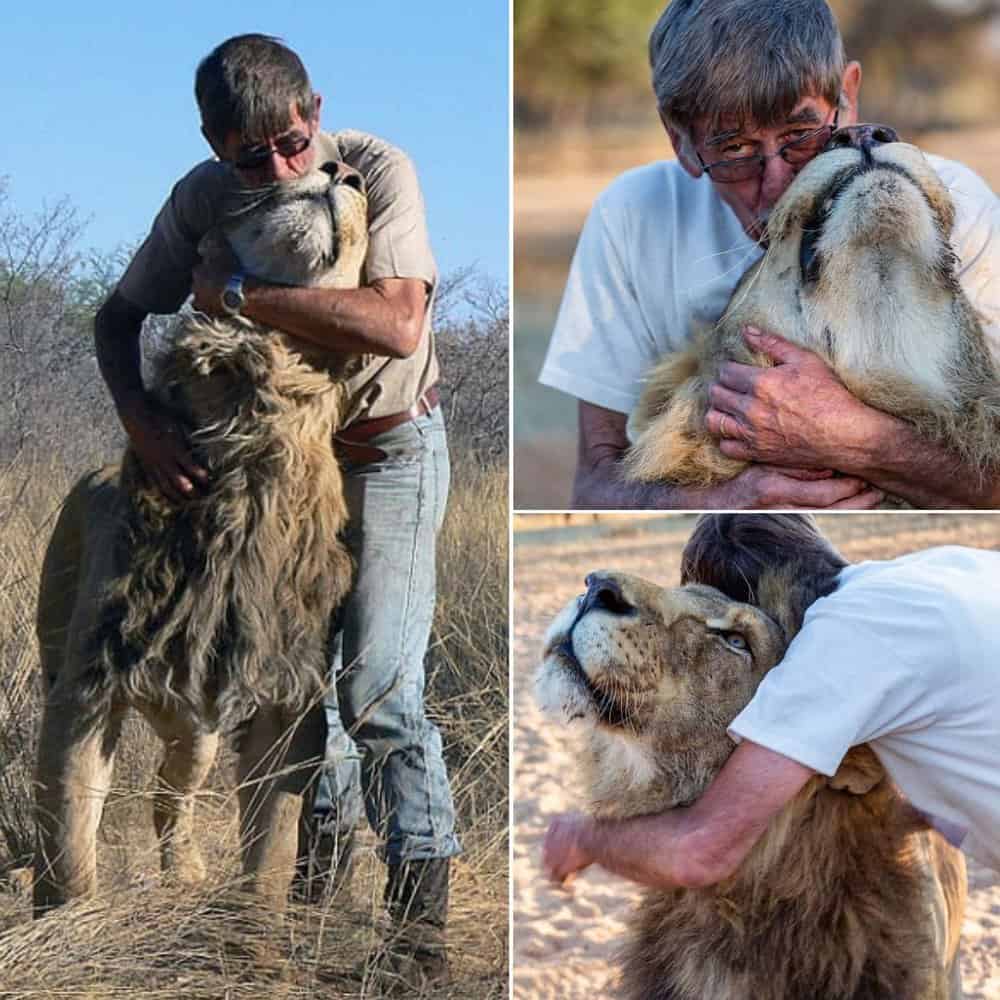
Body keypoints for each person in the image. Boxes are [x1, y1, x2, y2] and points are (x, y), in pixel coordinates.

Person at [94, 33, 459, 988]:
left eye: (295, 143)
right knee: (292, 690)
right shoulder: (201, 198)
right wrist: (141, 424)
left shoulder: (375, 167)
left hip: (384, 451)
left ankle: (419, 943)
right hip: (276, 470)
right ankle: (304, 920)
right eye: (252, 156)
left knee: (378, 689)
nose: (283, 168)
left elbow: (397, 322)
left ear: (316, 110)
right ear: (215, 144)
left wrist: (242, 296)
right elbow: (117, 314)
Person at [538, 0, 1000, 510]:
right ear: (681, 140)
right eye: (735, 149)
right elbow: (593, 484)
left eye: (801, 136)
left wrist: (853, 438)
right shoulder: (633, 214)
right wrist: (727, 498)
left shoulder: (957, 206)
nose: (780, 184)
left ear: (847, 96)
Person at [542, 513, 1000, 892]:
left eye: (732, 637)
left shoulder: (832, 648)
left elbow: (700, 852)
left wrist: (585, 838)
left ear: (778, 618)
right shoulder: (940, 569)